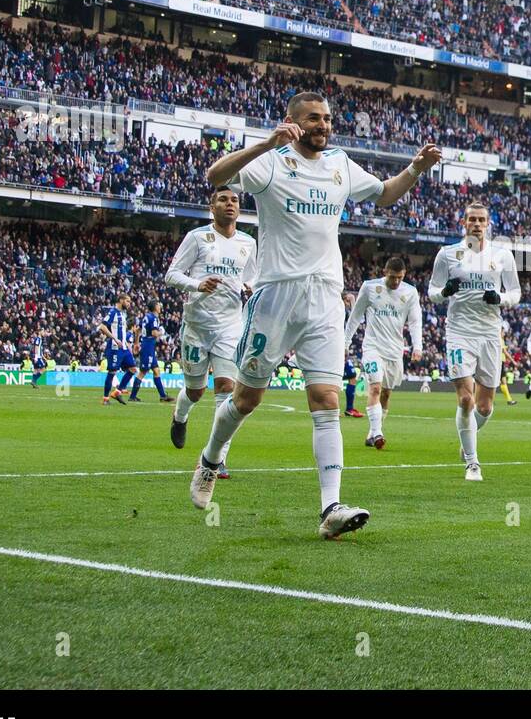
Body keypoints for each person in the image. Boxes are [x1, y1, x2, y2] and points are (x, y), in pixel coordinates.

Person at [188, 91, 440, 539]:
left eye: (326, 118)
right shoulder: (271, 162)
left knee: (325, 398)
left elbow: (383, 195)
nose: (322, 125)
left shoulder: (340, 164)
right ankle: (210, 458)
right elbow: (215, 175)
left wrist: (416, 169)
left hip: (325, 296)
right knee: (247, 399)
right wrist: (266, 144)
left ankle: (330, 508)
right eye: (313, 119)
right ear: (292, 122)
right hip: (275, 297)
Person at [165, 185, 258, 481]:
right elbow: (171, 275)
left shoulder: (248, 243)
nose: (229, 204)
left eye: (234, 200)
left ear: (239, 208)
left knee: (226, 388)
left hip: (230, 326)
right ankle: (180, 416)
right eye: (223, 200)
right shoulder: (197, 238)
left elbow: (253, 276)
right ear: (212, 207)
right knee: (195, 390)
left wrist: (251, 286)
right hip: (197, 325)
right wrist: (197, 284)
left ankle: (216, 458)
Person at [429, 203, 522, 482]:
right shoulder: (448, 254)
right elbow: (433, 290)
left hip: (490, 335)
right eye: (472, 219)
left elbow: (515, 292)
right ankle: (472, 463)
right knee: (466, 398)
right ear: (464, 222)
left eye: (481, 220)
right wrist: (445, 291)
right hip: (459, 332)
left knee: (484, 406)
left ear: (488, 223)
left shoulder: (502, 255)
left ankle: (467, 437)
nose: (477, 224)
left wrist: (501, 299)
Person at [344, 257, 423, 449]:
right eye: (393, 277)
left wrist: (417, 346)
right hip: (373, 347)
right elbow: (355, 316)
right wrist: (345, 343)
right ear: (385, 272)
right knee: (375, 388)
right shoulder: (370, 288)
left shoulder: (410, 292)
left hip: (395, 351)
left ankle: (373, 432)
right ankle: (378, 433)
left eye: (400, 278)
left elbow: (414, 321)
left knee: (386, 394)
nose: (396, 282)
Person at [129, 300, 173, 404]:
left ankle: (163, 396)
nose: (160, 306)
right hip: (148, 346)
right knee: (143, 372)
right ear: (155, 307)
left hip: (147, 345)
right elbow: (154, 333)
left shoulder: (146, 316)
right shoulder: (153, 318)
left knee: (156, 371)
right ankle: (132, 396)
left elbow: (138, 330)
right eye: (158, 305)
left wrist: (136, 343)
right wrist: (161, 332)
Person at [98, 293, 137, 404]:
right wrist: (114, 338)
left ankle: (117, 392)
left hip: (123, 348)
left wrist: (127, 346)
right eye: (127, 301)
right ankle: (105, 398)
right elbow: (102, 326)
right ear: (120, 300)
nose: (129, 304)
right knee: (112, 372)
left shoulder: (122, 314)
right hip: (115, 348)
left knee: (133, 369)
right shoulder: (113, 312)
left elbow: (122, 332)